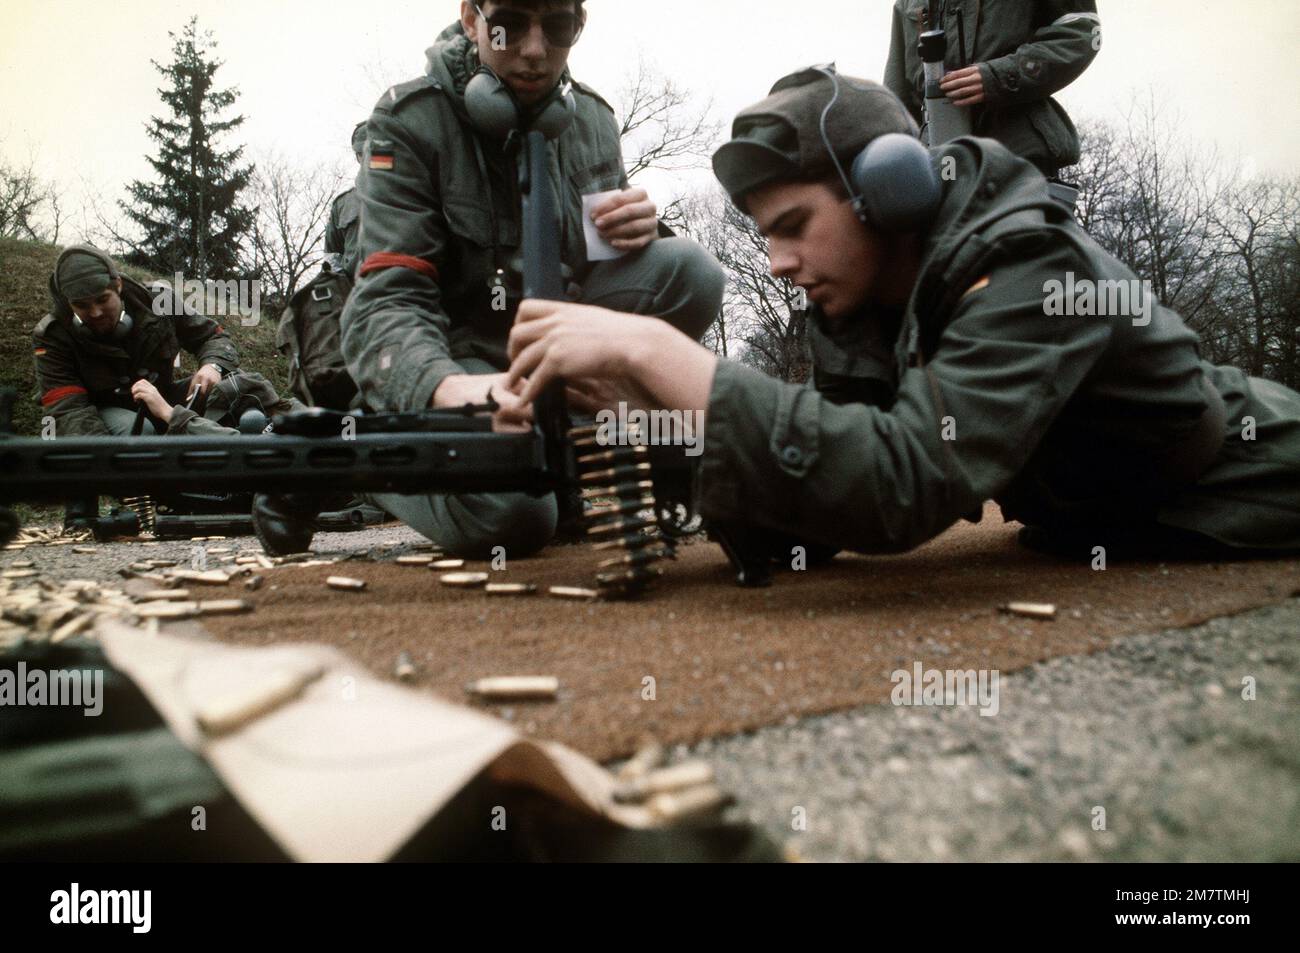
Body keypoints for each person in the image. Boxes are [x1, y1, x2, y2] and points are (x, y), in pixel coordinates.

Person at [500, 68, 1300, 561]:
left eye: (793, 227)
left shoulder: (1027, 265)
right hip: (1100, 531)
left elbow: (902, 482)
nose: (778, 262)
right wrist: (654, 425)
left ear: (889, 193)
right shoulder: (860, 309)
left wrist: (663, 356)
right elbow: (825, 497)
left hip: (1253, 478)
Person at [315, 0, 725, 560]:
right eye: (510, 23)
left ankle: (561, 455)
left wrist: (641, 233)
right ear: (470, 19)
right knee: (514, 516)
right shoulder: (407, 121)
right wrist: (449, 388)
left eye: (558, 26)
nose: (535, 49)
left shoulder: (593, 121)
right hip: (457, 360)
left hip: (554, 345)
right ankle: (372, 454)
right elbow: (386, 303)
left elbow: (602, 271)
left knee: (690, 270)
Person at [33, 245, 240, 438]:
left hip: (159, 397)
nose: (95, 313)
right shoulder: (53, 335)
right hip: (98, 414)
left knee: (234, 385)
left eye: (102, 300)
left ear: (118, 286)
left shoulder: (159, 301)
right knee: (139, 429)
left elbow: (212, 336)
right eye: (82, 305)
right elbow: (68, 410)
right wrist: (105, 459)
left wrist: (213, 366)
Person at [884, 0, 1100, 179]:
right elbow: (897, 94)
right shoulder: (906, 3)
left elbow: (1080, 33)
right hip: (939, 162)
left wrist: (1000, 75)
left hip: (1017, 153)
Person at [323, 122, 368, 279]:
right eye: (363, 152)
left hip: (403, 293)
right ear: (358, 156)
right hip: (355, 294)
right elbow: (332, 256)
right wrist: (342, 287)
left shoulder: (410, 196)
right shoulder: (343, 204)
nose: (369, 157)